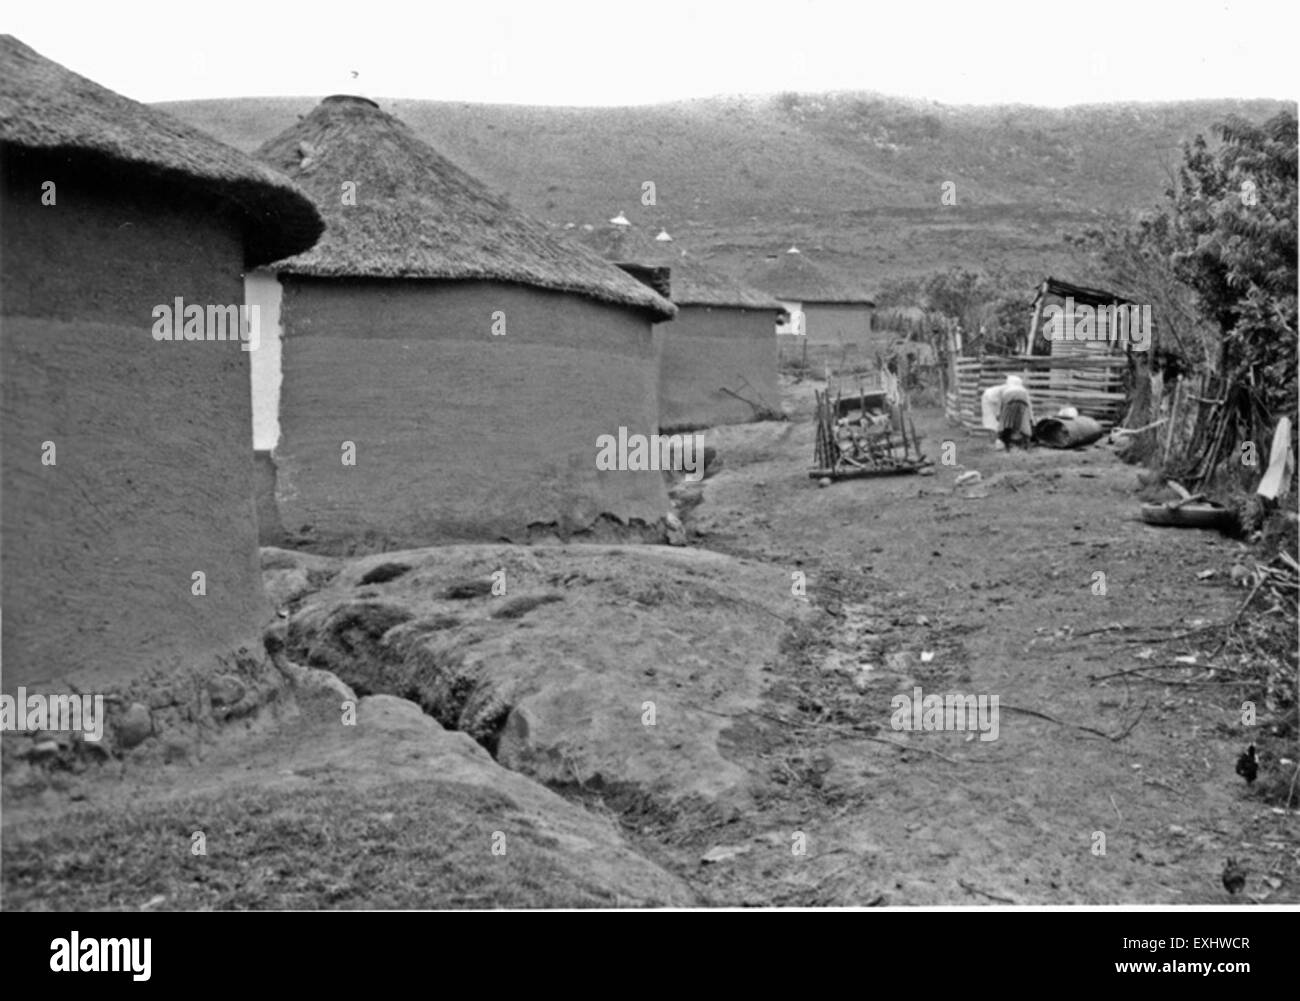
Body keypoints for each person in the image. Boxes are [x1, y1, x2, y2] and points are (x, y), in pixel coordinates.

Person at [997, 374, 1034, 449]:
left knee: (1006, 423)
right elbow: (1029, 404)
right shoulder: (1024, 390)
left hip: (1009, 405)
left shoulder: (1006, 390)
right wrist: (1031, 417)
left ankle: (1005, 443)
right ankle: (1025, 444)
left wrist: (999, 414)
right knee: (1023, 423)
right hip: (1022, 407)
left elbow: (1001, 403)